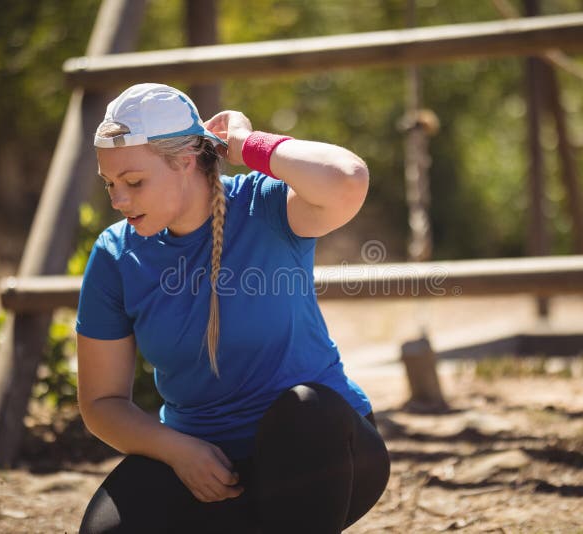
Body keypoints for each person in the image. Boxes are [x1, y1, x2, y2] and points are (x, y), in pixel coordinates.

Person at [75, 83, 390, 534]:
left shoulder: (265, 206)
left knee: (305, 408)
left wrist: (246, 144)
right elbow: (101, 402)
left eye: (134, 182)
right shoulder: (114, 255)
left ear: (185, 161)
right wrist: (177, 450)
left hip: (321, 458)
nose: (118, 200)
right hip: (207, 468)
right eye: (110, 184)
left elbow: (347, 179)